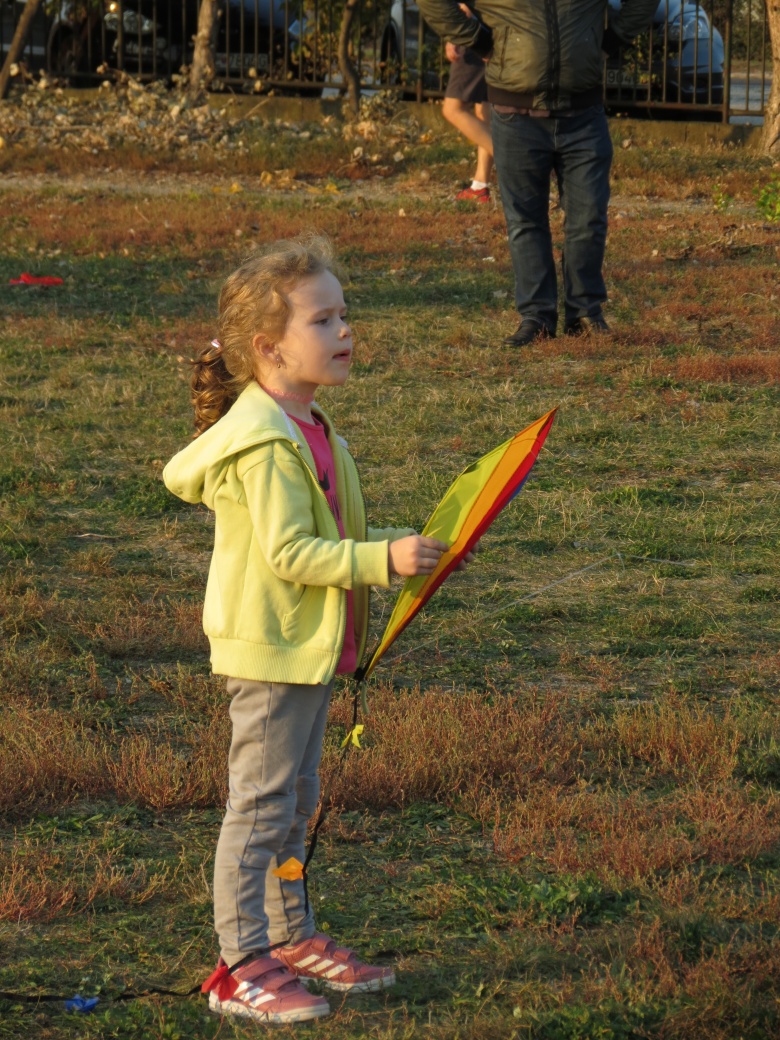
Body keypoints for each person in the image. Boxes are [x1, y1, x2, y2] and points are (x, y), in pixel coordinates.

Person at [163, 236, 465, 1025]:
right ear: (268, 348)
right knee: (259, 808)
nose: (344, 331)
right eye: (323, 319)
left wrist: (401, 556)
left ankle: (291, 937)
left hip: (309, 650)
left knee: (296, 806)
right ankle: (239, 963)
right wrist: (379, 559)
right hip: (271, 654)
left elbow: (334, 529)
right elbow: (294, 552)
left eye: (345, 314)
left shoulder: (308, 421)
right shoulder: (266, 442)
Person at [418, 0, 659, 345]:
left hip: (583, 112)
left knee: (588, 217)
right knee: (525, 221)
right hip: (514, 112)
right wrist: (479, 39)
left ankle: (585, 313)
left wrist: (613, 39)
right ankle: (536, 317)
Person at [442, 40, 493, 203]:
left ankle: (518, 165)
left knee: (452, 109)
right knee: (483, 109)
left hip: (472, 35)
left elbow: (469, 12)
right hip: (491, 31)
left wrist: (454, 36)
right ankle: (479, 186)